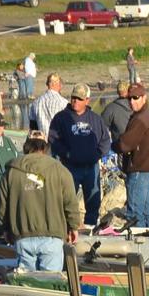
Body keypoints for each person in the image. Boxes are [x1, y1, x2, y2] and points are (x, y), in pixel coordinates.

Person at [0, 136, 81, 272]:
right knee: (49, 287)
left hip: (22, 236)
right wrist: (74, 227)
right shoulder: (60, 170)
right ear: (45, 149)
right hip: (52, 237)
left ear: (26, 149)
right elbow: (70, 202)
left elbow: (2, 207)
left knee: (27, 285)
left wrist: (6, 229)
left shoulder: (11, 172)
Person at [47, 83, 110, 228]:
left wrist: (97, 155)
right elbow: (53, 140)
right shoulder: (61, 118)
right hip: (70, 167)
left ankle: (90, 227)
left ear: (87, 100)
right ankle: (66, 229)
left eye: (79, 99)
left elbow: (105, 140)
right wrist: (67, 154)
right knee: (67, 201)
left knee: (93, 202)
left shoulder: (95, 118)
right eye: (73, 97)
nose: (75, 101)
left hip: (91, 167)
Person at [116, 83, 149, 229]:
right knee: (148, 212)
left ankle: (138, 243)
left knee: (135, 213)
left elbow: (125, 144)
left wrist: (112, 145)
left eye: (136, 98)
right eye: (129, 98)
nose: (132, 101)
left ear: (144, 98)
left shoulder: (141, 118)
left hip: (139, 169)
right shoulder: (148, 115)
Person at [101, 81, 134, 153]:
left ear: (118, 92)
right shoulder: (137, 104)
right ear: (129, 91)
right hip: (137, 147)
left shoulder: (110, 108)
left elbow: (101, 126)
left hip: (120, 148)